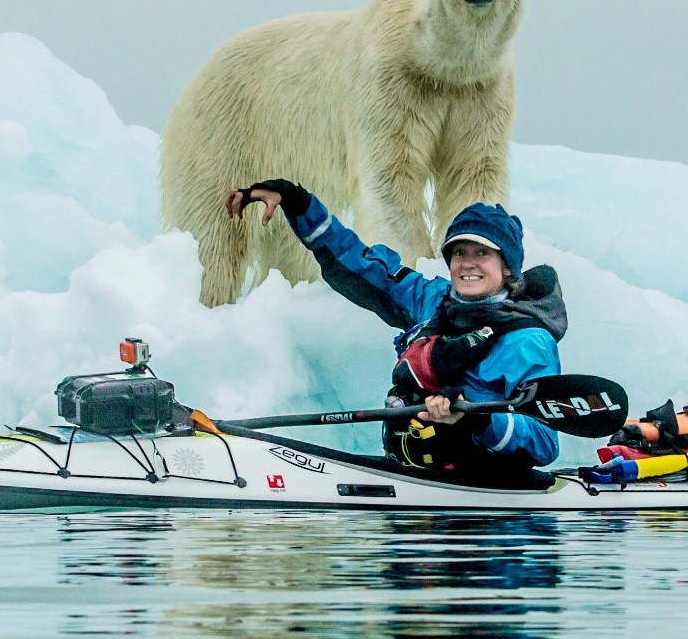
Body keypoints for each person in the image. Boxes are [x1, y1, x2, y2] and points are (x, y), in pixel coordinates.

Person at [225, 178, 566, 483]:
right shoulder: (433, 300)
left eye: (483, 253)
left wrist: (474, 417)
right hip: (411, 479)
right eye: (459, 252)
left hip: (484, 498)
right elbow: (360, 263)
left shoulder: (528, 340)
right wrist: (296, 201)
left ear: (507, 267)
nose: (467, 263)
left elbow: (545, 441)